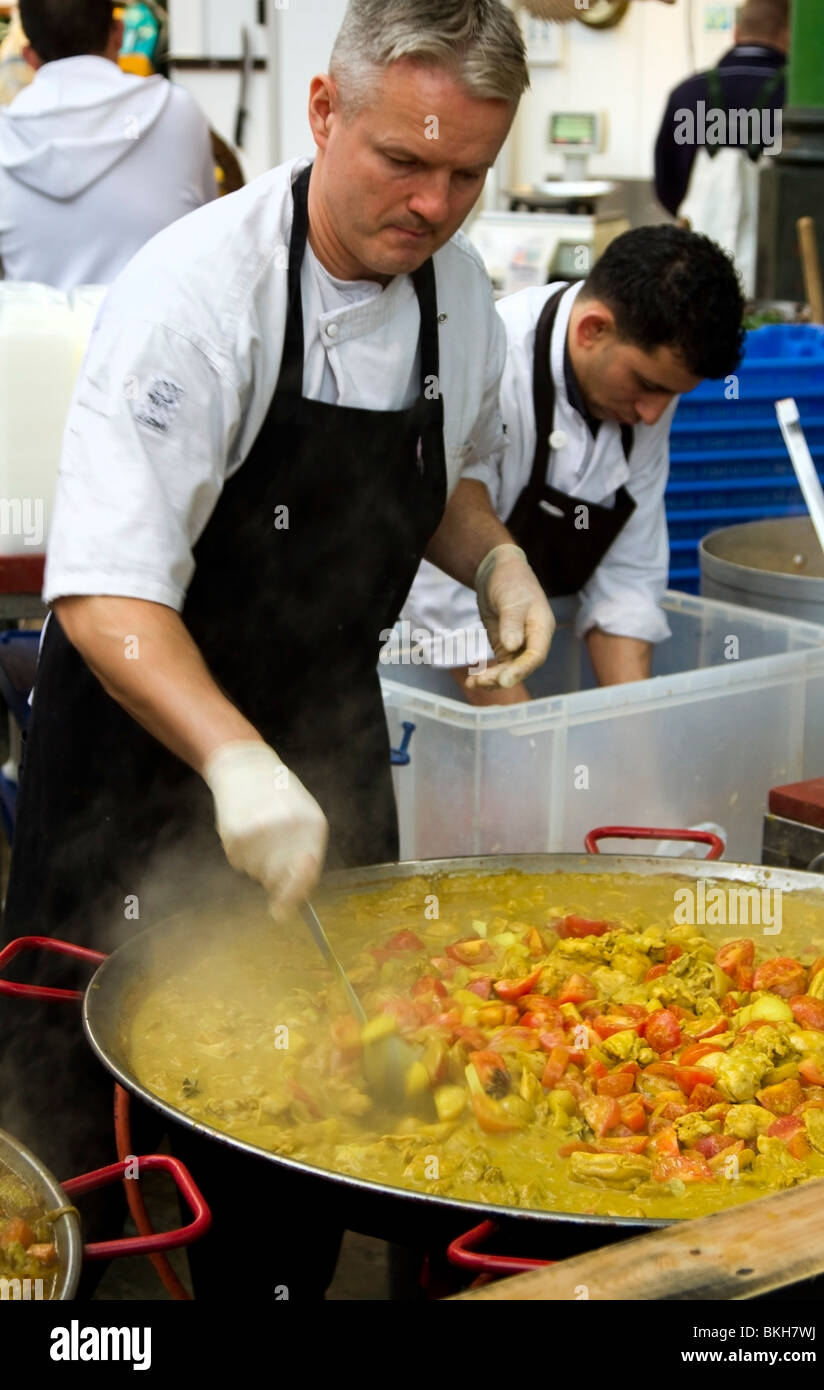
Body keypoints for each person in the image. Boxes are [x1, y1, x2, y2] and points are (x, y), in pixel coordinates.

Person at [0, 0, 554, 1299]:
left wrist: (492, 558)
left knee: (314, 1084)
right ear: (322, 113)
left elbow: (430, 485)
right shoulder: (199, 293)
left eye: (465, 173)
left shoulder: (457, 293)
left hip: (325, 734)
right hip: (137, 762)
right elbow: (105, 588)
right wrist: (232, 763)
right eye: (401, 162)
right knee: (75, 1113)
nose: (432, 203)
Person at [405, 226, 745, 703]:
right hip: (410, 662)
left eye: (671, 395)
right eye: (647, 385)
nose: (653, 413)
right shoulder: (491, 361)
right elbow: (446, 603)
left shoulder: (642, 397)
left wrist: (636, 750)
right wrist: (541, 754)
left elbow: (627, 581)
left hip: (525, 655)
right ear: (592, 330)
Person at [0, 0, 217, 288]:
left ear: (29, 56)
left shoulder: (6, 135)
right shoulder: (177, 112)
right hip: (154, 329)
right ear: (118, 32)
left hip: (34, 332)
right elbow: (214, 237)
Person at [654, 0, 789, 294]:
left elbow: (668, 186)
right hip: (778, 270)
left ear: (736, 33)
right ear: (788, 35)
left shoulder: (686, 94)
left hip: (693, 264)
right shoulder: (795, 97)